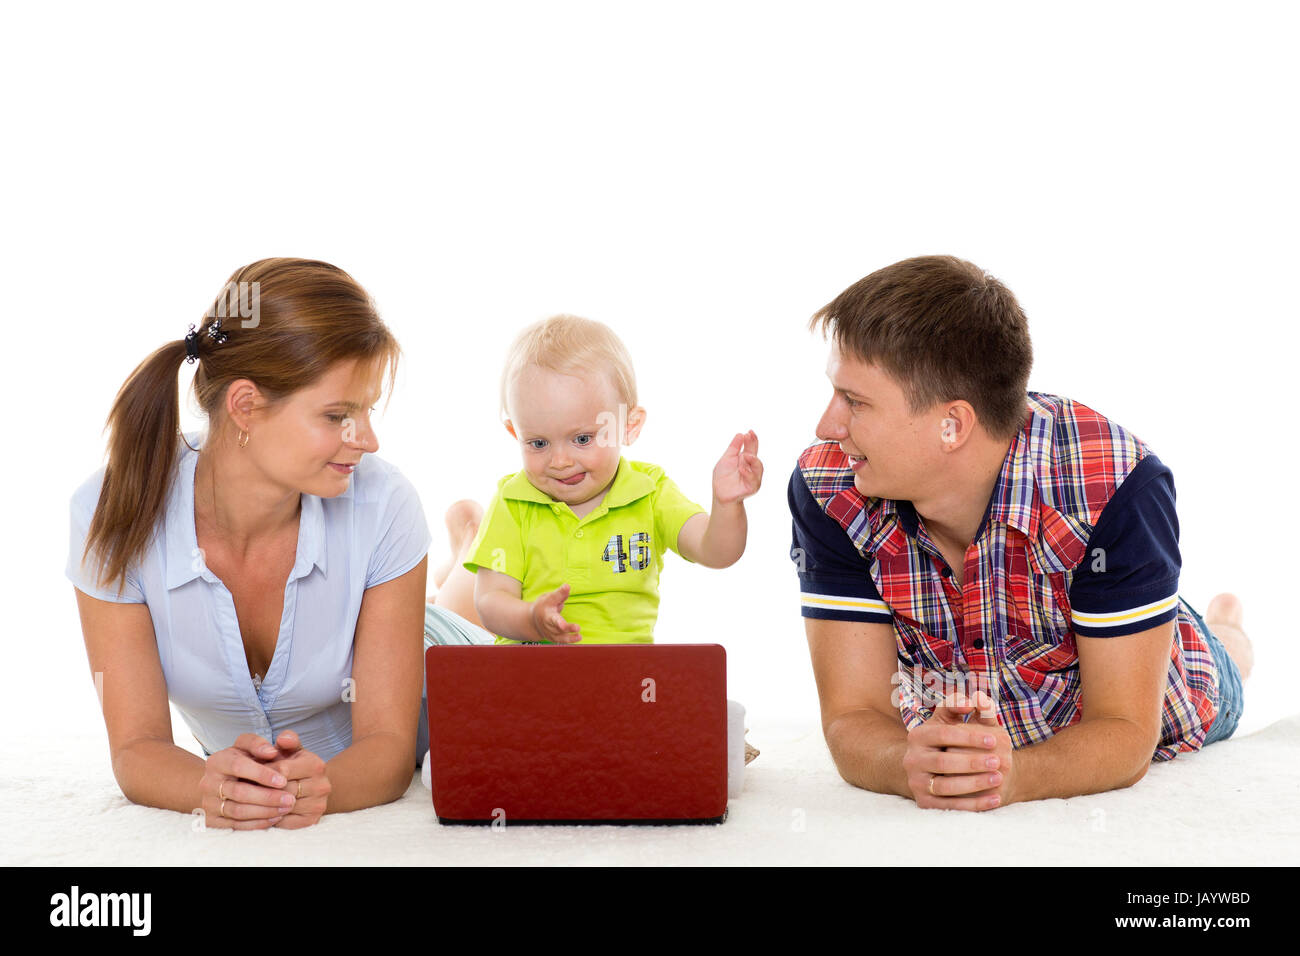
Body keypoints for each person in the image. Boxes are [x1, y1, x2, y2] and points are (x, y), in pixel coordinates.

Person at [790, 255, 1253, 811]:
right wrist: (902, 764)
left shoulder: (1117, 483)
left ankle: (1224, 629)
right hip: (983, 691)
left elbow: (1127, 731)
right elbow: (854, 715)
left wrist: (1014, 779)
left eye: (855, 402)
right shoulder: (828, 487)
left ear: (952, 425)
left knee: (1220, 661)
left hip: (1173, 684)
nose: (827, 425)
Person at [67, 258, 431, 830]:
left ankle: (460, 569)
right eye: (338, 415)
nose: (367, 439)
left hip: (441, 652)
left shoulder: (386, 505)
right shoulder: (109, 514)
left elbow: (388, 749)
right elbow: (135, 747)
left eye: (365, 411)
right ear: (245, 406)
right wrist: (210, 787)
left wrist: (322, 789)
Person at [418, 314, 763, 768]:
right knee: (463, 754)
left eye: (582, 438)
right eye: (537, 443)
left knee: (688, 742)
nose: (559, 461)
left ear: (630, 426)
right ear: (514, 433)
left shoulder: (651, 491)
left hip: (622, 682)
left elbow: (717, 551)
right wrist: (531, 620)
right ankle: (468, 536)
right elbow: (491, 604)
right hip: (528, 678)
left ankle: (466, 540)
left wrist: (727, 505)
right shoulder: (515, 499)